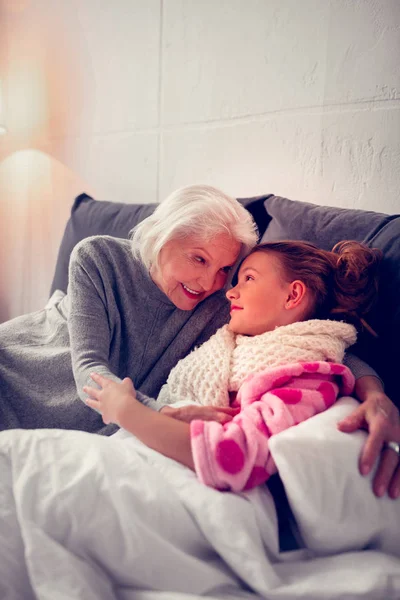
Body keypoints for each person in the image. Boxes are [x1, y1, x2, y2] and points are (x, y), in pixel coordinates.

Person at [0, 185, 398, 498]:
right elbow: (89, 373)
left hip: (84, 435)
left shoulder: (219, 303)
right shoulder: (98, 258)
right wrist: (158, 415)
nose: (210, 282)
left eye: (225, 268)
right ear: (162, 238)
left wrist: (375, 394)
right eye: (198, 259)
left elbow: (318, 338)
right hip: (19, 371)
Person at [83, 240, 380, 492]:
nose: (229, 291)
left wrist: (128, 412)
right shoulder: (230, 344)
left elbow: (233, 457)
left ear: (292, 295)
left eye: (248, 279)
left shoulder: (308, 377)